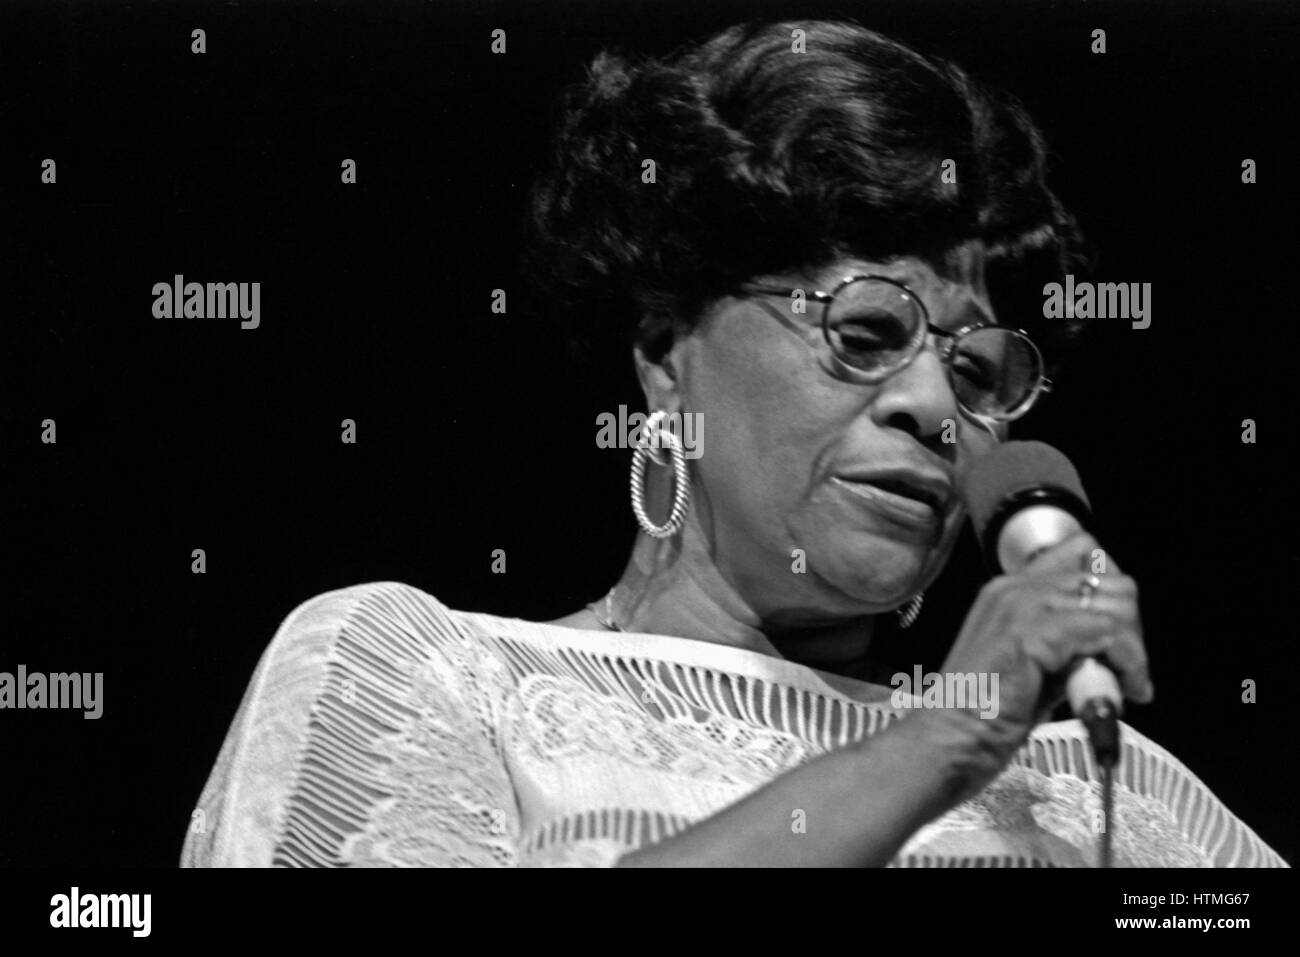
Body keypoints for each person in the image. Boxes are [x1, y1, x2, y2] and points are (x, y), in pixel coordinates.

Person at [181, 20, 1286, 867]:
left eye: (974, 372)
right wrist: (935, 746)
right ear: (666, 351)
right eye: (863, 333)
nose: (933, 411)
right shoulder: (427, 677)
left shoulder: (1122, 799)